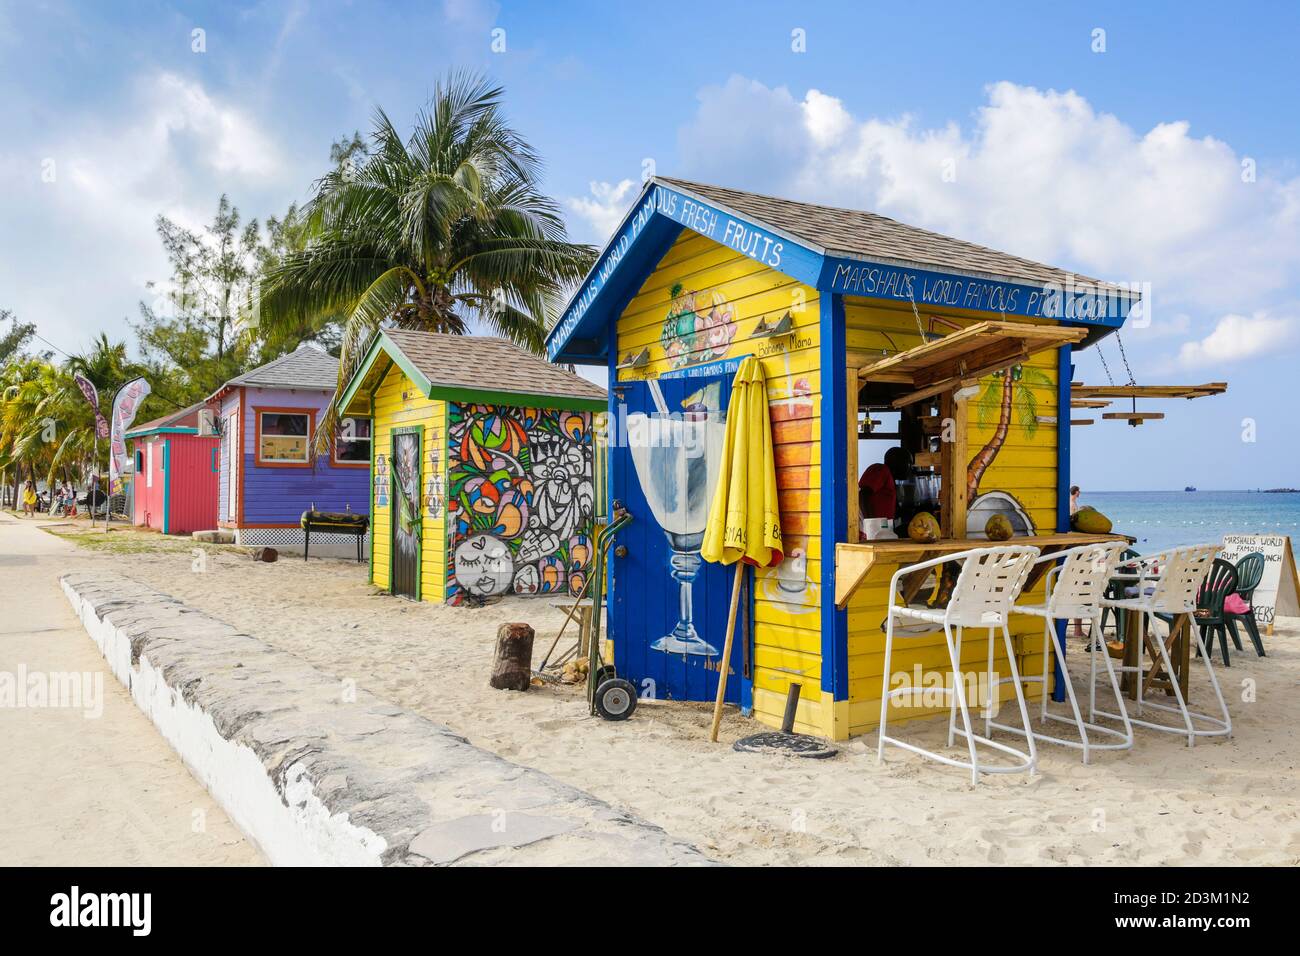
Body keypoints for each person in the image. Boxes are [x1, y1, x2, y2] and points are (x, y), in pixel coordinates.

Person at [859, 446, 913, 524]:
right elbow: (863, 494)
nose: (911, 468)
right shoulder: (881, 470)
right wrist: (869, 522)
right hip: (872, 528)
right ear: (899, 462)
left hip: (883, 529)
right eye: (909, 463)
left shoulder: (891, 481)